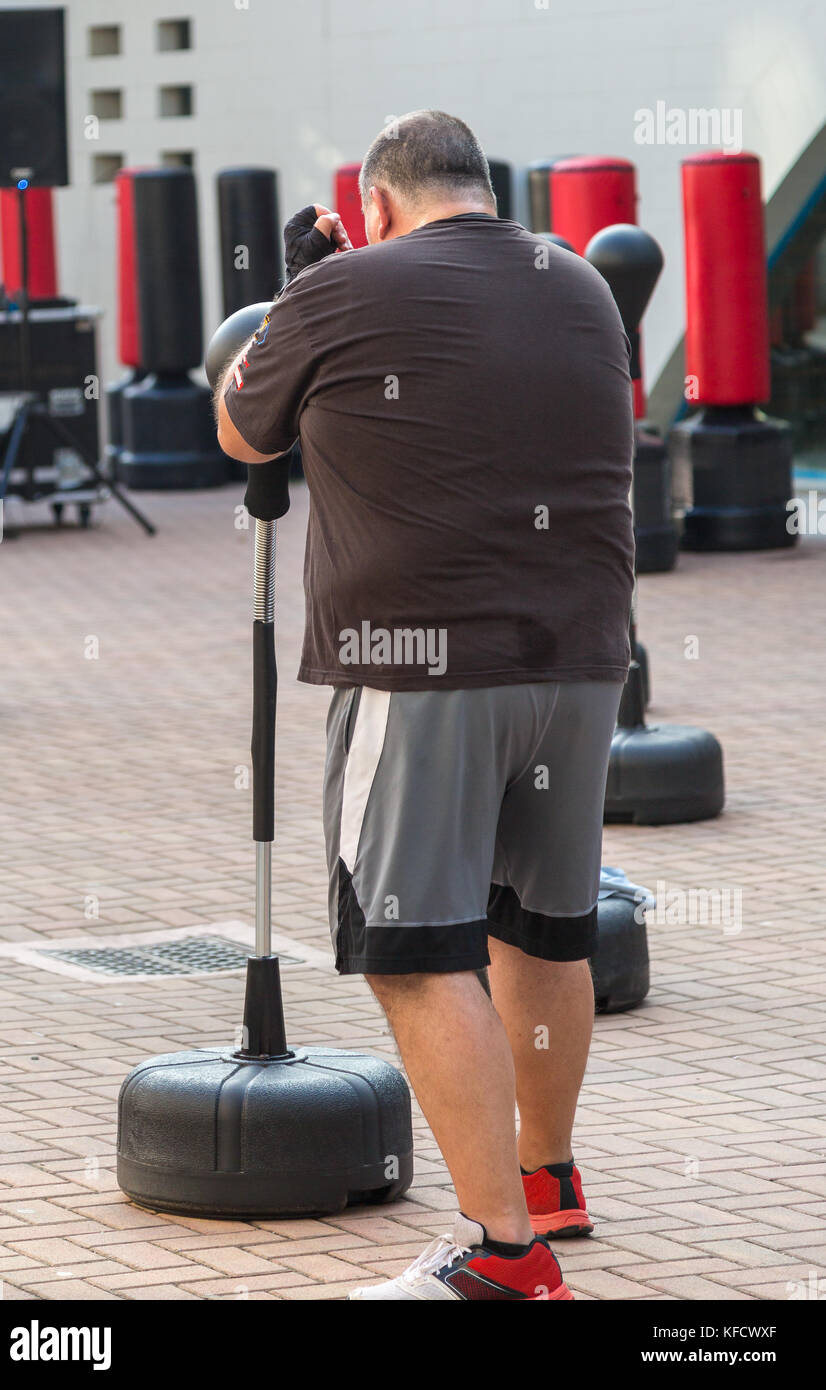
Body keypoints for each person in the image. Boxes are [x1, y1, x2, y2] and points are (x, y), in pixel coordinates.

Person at [216, 110, 634, 1302]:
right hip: (583, 661)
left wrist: (307, 291)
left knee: (409, 949)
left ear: (378, 202)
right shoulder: (584, 285)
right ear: (483, 191)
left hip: (421, 663)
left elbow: (244, 427)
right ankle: (545, 1176)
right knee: (543, 924)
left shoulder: (342, 287)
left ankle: (504, 1252)